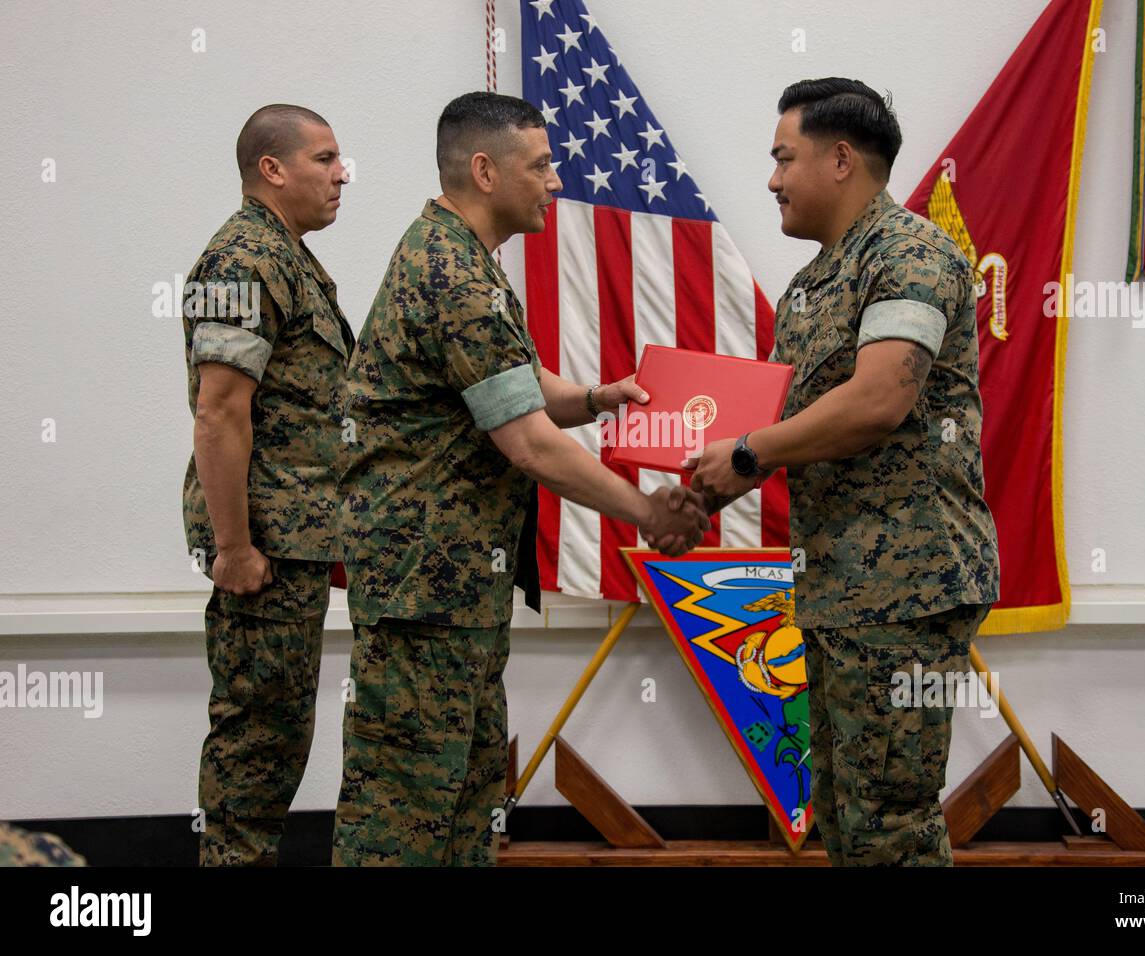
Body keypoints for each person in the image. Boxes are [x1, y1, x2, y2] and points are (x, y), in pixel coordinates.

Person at [331, 91, 709, 866]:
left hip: (450, 587)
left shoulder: (460, 257)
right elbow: (531, 445)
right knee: (402, 812)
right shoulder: (453, 275)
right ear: (484, 169)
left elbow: (520, 383)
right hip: (424, 589)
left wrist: (599, 398)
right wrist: (645, 511)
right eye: (539, 165)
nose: (555, 181)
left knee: (465, 795)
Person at [685, 78, 1000, 866]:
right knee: (841, 809)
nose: (772, 178)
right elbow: (778, 419)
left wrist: (749, 454)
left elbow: (879, 399)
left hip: (907, 584)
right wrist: (689, 476)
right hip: (836, 585)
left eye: (783, 158)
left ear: (841, 159)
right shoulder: (811, 287)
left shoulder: (912, 255)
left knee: (890, 818)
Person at [182, 104, 354, 866]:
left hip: (295, 539)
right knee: (258, 740)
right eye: (324, 158)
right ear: (272, 169)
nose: (341, 173)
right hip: (265, 548)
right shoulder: (243, 260)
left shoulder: (287, 255)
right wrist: (235, 547)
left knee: (279, 734)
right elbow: (219, 413)